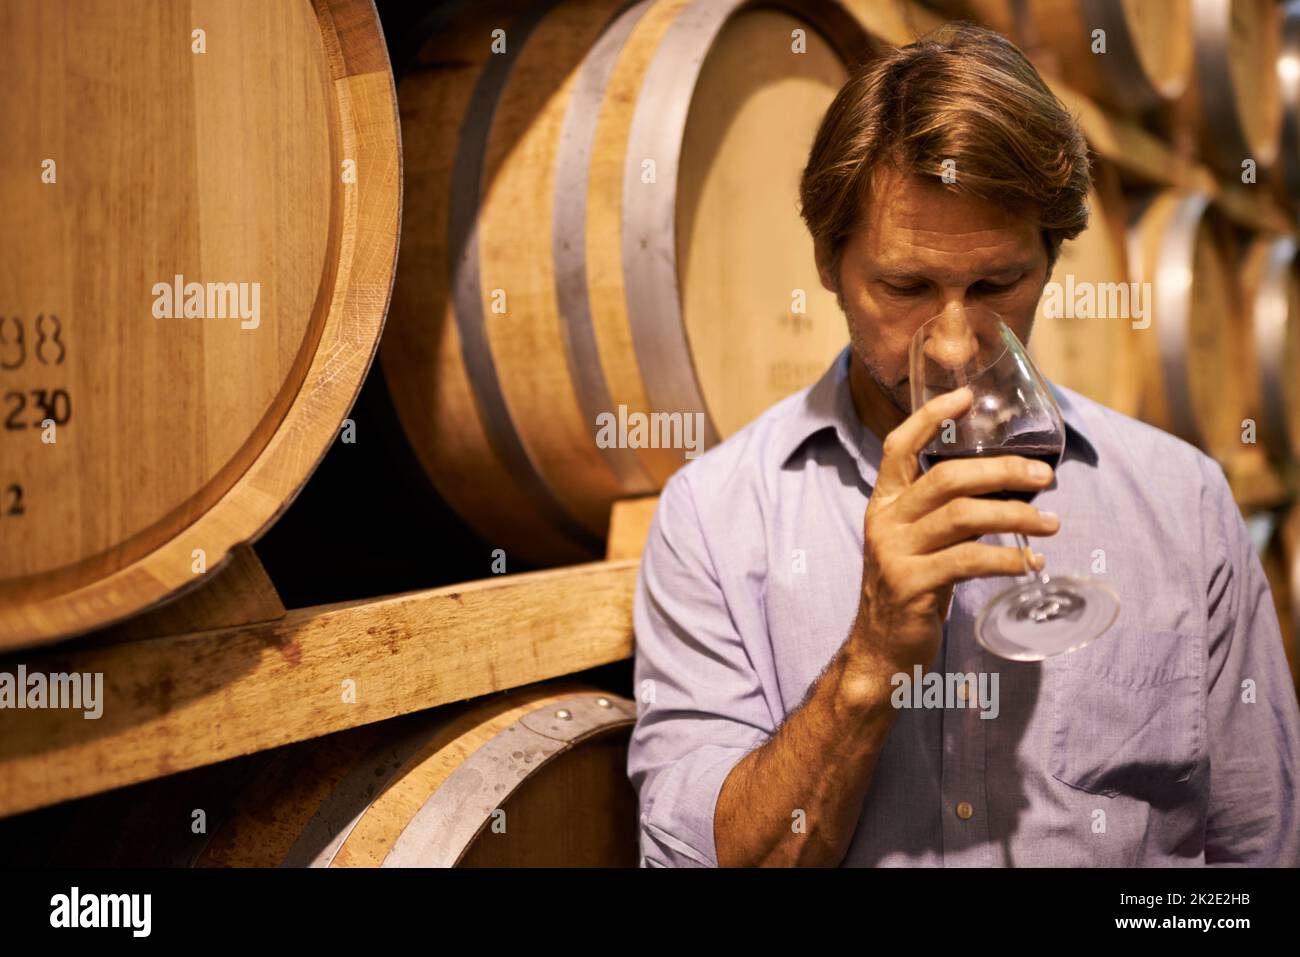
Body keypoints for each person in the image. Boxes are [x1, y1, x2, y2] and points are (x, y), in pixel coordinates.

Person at [626, 23, 1300, 867]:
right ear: (828, 264)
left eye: (996, 284)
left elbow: (1258, 852)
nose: (951, 343)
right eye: (905, 286)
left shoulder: (1185, 503)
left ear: (1052, 261)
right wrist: (870, 661)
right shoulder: (715, 518)